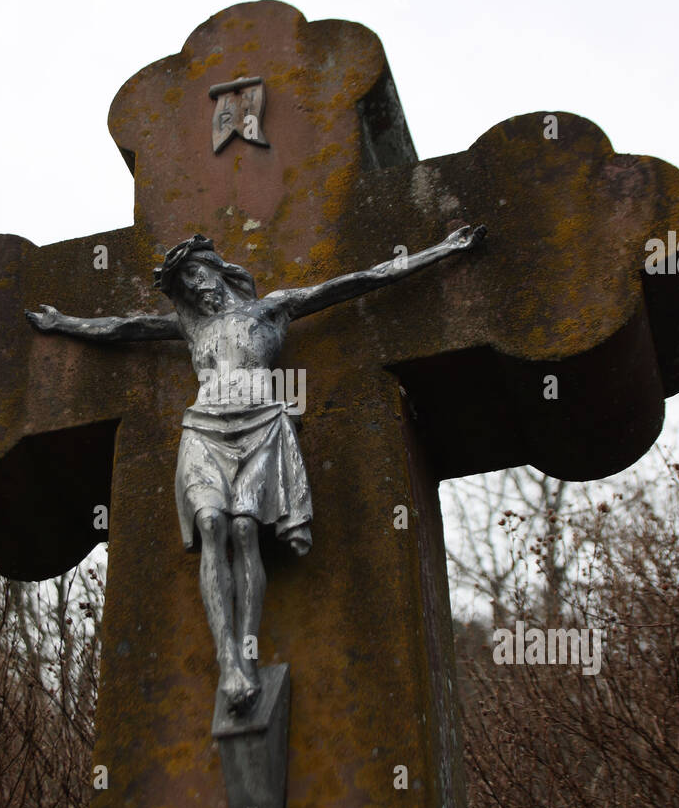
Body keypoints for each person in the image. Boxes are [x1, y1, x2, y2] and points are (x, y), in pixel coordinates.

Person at [27, 224, 485, 714]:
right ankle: (229, 663)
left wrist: (439, 250)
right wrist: (64, 324)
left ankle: (246, 648)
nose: (196, 287)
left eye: (199, 274)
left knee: (245, 529)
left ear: (218, 271)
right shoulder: (191, 328)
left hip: (261, 427)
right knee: (210, 524)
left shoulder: (271, 308)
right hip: (204, 429)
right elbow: (123, 327)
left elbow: (358, 281)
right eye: (184, 284)